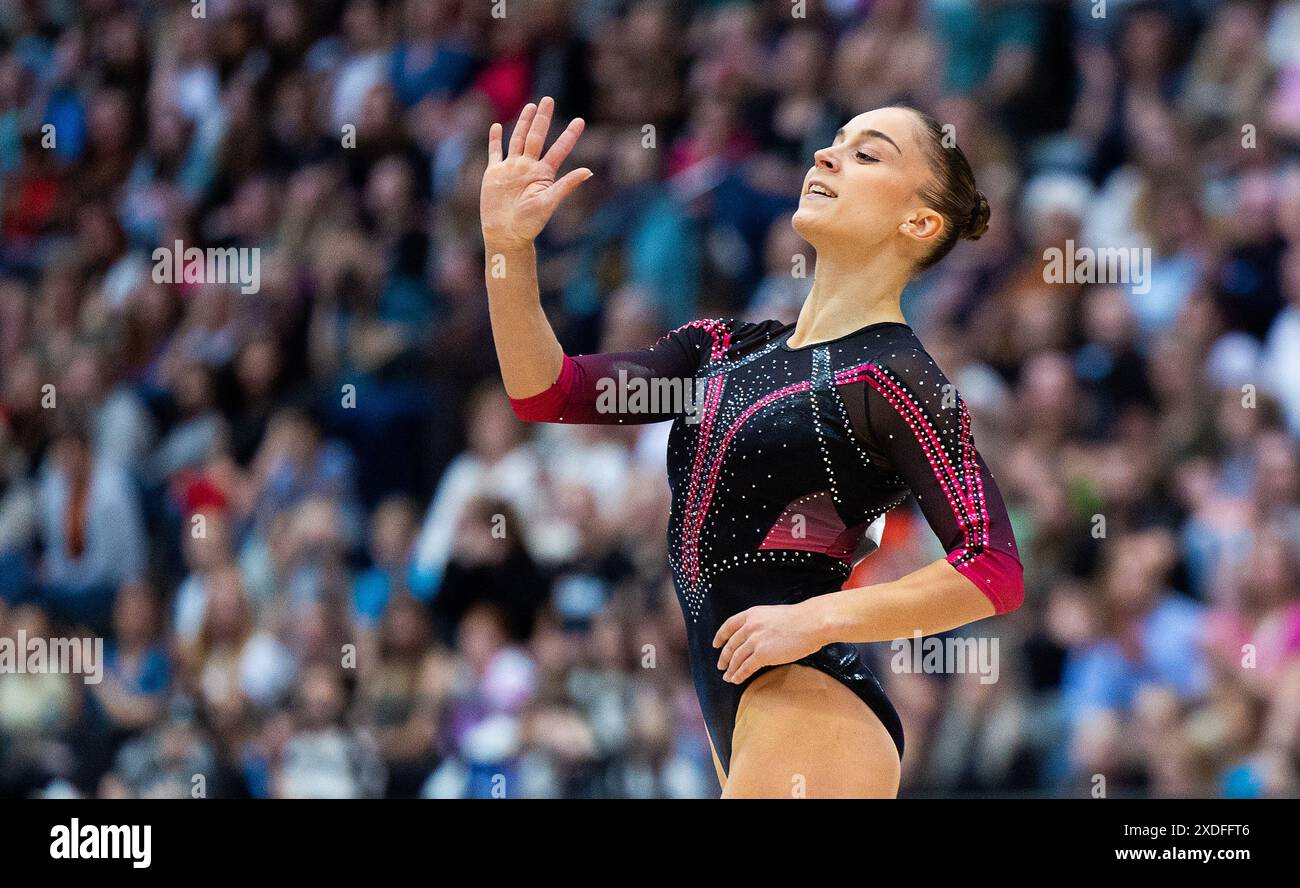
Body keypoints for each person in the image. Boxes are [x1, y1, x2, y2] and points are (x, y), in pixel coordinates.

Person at [480, 97, 1023, 798]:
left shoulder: (894, 377)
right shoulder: (722, 350)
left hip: (812, 705)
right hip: (740, 711)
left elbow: (993, 567)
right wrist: (508, 252)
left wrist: (815, 618)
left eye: (867, 154)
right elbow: (548, 392)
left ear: (918, 221)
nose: (826, 155)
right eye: (834, 141)